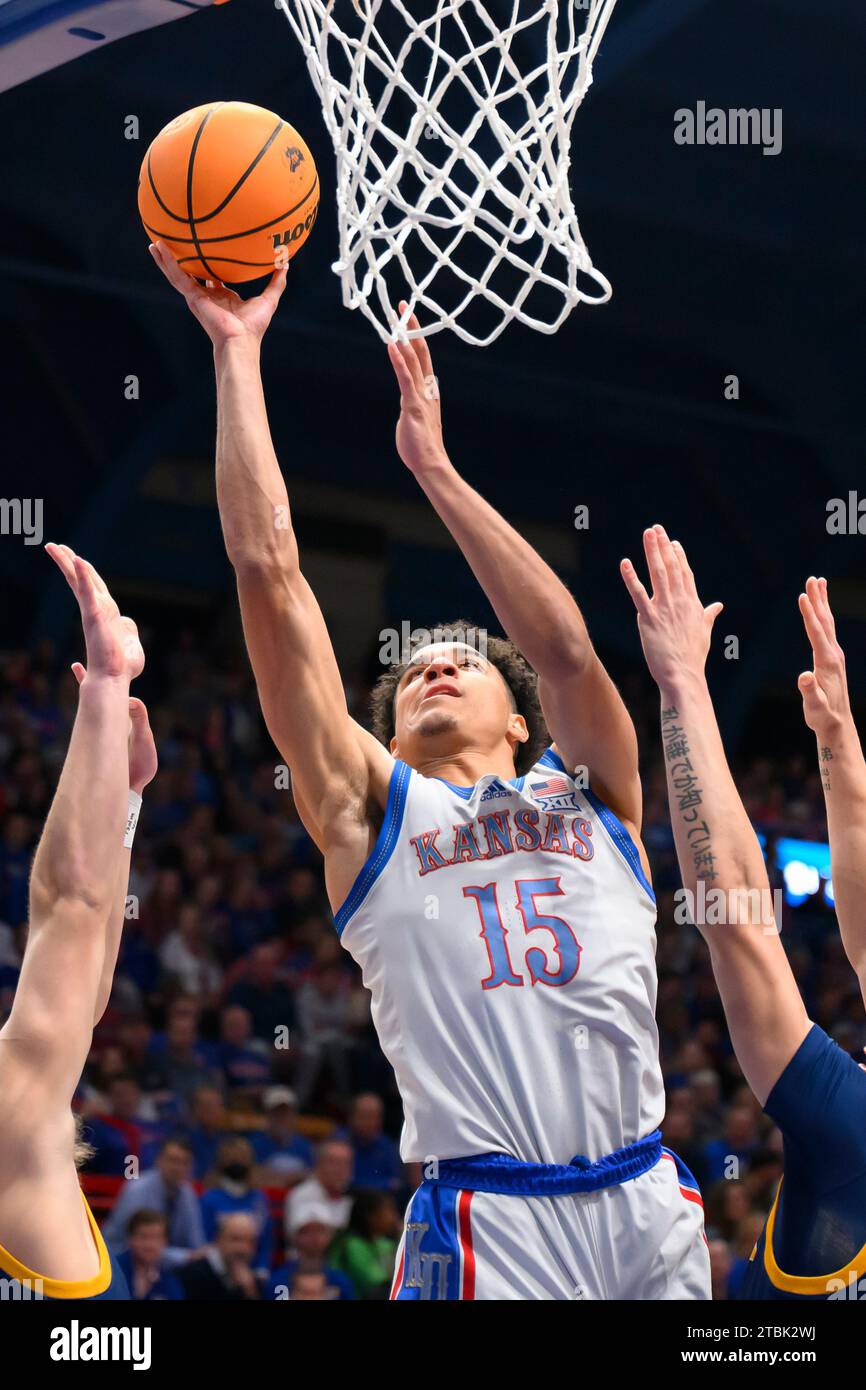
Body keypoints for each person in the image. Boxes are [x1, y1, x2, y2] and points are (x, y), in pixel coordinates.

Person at [150, 244, 709, 1301]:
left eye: (460, 659)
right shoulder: (374, 813)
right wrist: (236, 353)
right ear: (391, 737)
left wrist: (435, 471)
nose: (434, 664)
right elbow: (268, 575)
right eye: (410, 671)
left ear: (518, 724)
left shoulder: (591, 792)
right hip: (486, 1214)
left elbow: (569, 653)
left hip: (646, 1200)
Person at [621, 528, 866, 1300]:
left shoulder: (851, 1129)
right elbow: (856, 848)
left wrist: (683, 686)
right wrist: (837, 745)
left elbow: (736, 923)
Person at [0, 544, 157, 1298]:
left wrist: (122, 803)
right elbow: (70, 908)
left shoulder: (32, 1148)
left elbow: (87, 984)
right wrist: (103, 686)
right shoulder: (13, 1129)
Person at [102, 1136, 206, 1266]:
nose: (177, 1167)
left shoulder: (188, 1193)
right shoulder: (137, 1189)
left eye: (184, 1162)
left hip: (164, 1264)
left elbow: (196, 1242)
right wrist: (183, 1257)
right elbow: (136, 1244)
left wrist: (197, 1256)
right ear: (159, 1160)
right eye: (172, 1160)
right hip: (121, 1259)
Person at [268, 1202, 353, 1301]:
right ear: (294, 1236)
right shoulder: (278, 1282)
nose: (314, 1237)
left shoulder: (340, 1280)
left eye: (320, 1231)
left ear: (330, 1235)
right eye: (306, 1231)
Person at [328, 1189, 401, 1299]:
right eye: (388, 1211)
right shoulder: (352, 1245)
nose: (393, 1217)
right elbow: (376, 1282)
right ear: (370, 1216)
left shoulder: (386, 1244)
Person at [178, 1211, 265, 1301]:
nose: (242, 1248)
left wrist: (250, 1292)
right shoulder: (193, 1275)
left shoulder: (254, 1283)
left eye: (250, 1242)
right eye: (235, 1239)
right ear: (218, 1239)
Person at [115, 1210, 185, 1300]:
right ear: (130, 1239)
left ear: (165, 1242)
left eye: (156, 1237)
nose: (150, 1245)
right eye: (144, 1237)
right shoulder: (114, 1272)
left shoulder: (169, 1280)